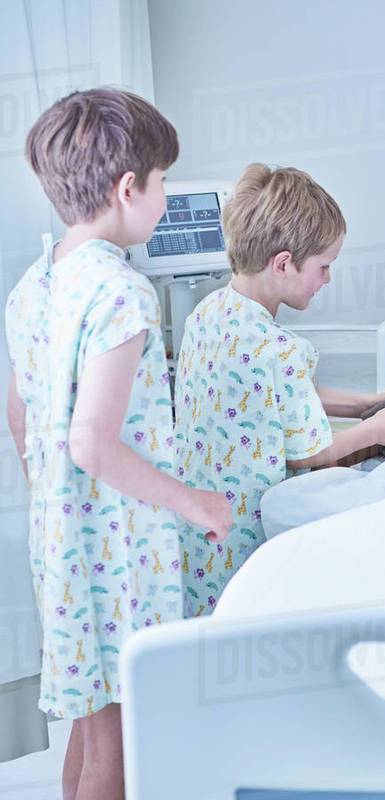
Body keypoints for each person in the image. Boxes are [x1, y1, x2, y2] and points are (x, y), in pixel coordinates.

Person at [6, 88, 232, 800]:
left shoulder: (34, 284)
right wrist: (193, 502)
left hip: (61, 535)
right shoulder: (121, 292)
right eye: (163, 181)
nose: (165, 198)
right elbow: (94, 443)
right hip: (118, 544)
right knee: (125, 737)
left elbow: (21, 412)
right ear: (128, 188)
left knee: (92, 723)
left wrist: (52, 499)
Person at [173, 163, 385, 615]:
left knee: (209, 628)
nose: (327, 279)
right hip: (250, 529)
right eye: (324, 266)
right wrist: (380, 432)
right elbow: (306, 453)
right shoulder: (281, 348)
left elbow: (277, 398)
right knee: (251, 621)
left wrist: (366, 406)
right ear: (283, 263)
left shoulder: (208, 314)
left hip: (200, 524)